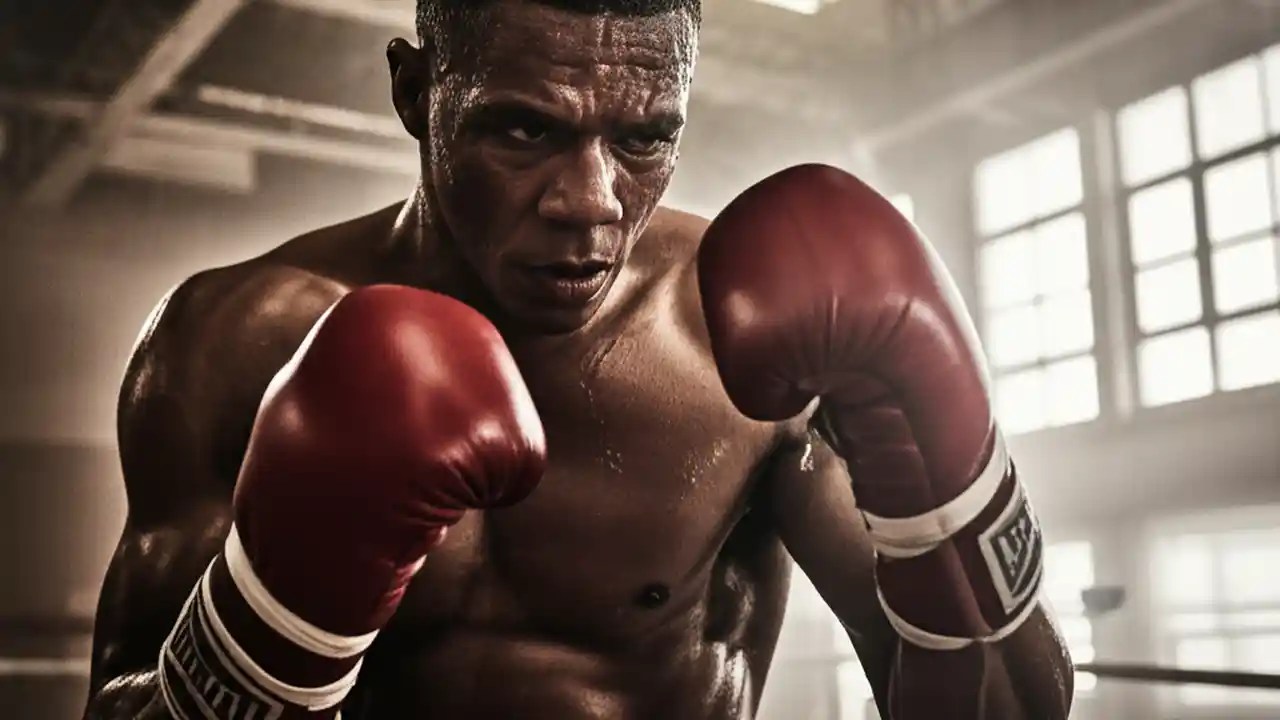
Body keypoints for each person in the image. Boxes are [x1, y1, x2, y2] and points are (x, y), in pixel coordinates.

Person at [83, 1, 1074, 718]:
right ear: (415, 91)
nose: (590, 201)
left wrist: (961, 487)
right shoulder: (233, 345)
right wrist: (262, 644)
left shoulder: (744, 357)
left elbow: (1007, 709)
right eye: (526, 129)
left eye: (644, 138)